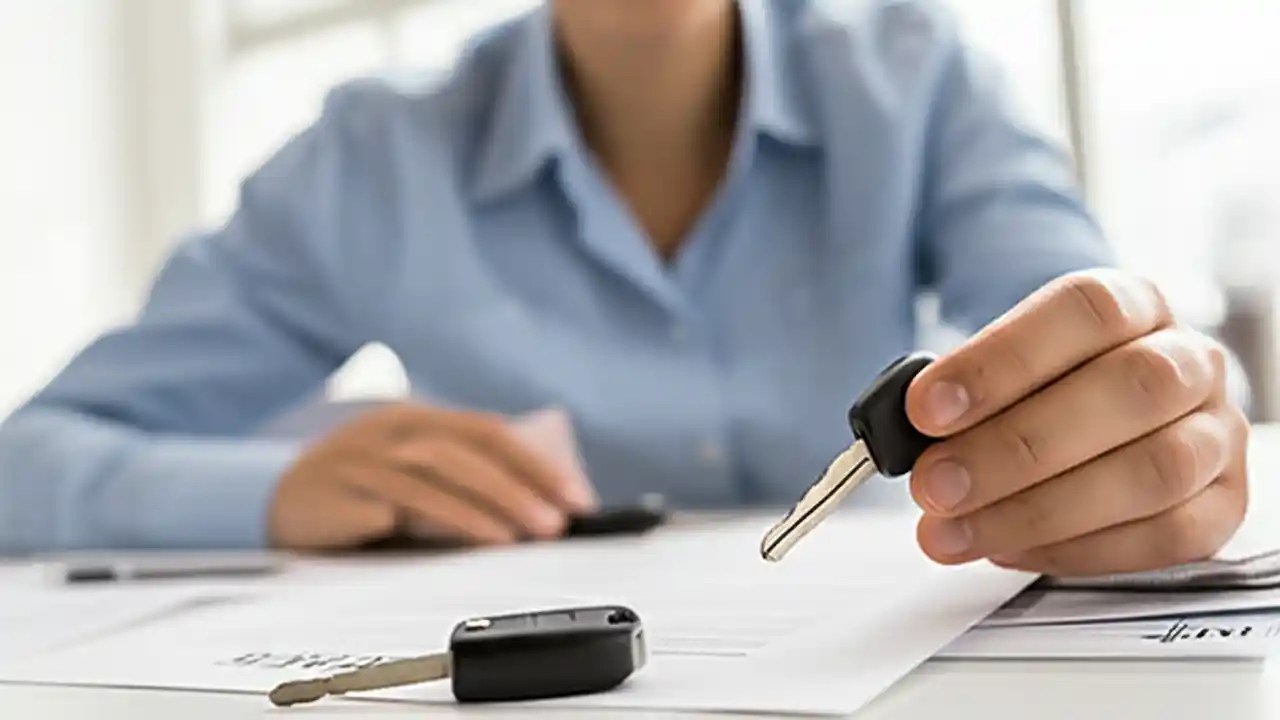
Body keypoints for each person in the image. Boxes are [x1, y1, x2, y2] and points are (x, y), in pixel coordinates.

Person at [0, 0, 1249, 576]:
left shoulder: (919, 78)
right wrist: (276, 492)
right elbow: (23, 462)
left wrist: (1152, 419)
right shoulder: (368, 160)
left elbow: (1100, 355)